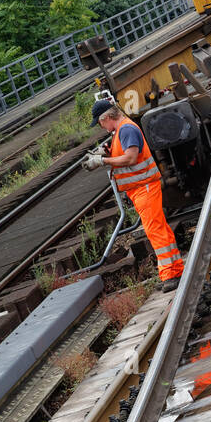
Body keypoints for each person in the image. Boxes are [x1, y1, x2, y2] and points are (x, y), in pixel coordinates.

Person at [83, 96, 184, 292]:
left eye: (100, 123)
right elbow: (124, 153)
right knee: (160, 228)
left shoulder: (127, 129)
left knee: (155, 231)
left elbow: (130, 158)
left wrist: (102, 162)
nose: (101, 127)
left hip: (144, 188)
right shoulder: (122, 130)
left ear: (106, 118)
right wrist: (107, 153)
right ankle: (175, 268)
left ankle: (170, 275)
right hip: (140, 189)